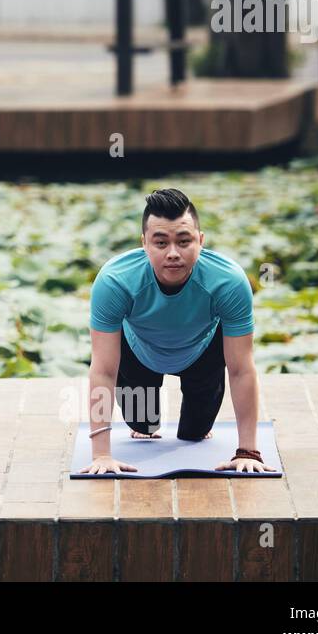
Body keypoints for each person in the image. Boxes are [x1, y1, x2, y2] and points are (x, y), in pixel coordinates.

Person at [79, 188, 276, 475]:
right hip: (139, 351)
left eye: (184, 241)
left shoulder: (228, 281)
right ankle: (143, 424)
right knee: (142, 425)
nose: (173, 254)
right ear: (144, 243)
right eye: (161, 243)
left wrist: (249, 452)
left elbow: (241, 369)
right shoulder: (114, 280)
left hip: (202, 352)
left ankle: (197, 422)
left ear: (201, 240)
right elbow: (103, 370)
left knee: (195, 433)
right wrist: (101, 455)